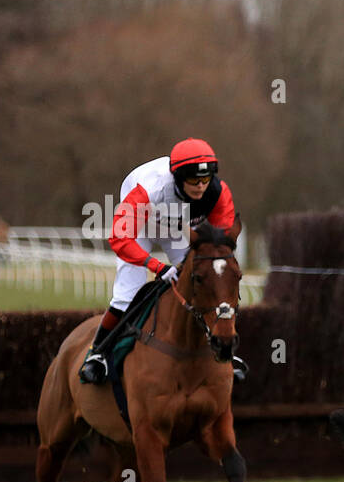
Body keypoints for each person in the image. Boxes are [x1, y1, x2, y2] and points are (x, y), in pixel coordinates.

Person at [79, 138, 246, 384]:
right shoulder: (150, 188)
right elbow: (119, 238)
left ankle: (221, 350)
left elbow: (220, 244)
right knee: (127, 294)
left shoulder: (218, 192)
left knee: (204, 283)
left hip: (178, 225)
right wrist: (157, 267)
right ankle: (98, 353)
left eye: (205, 179)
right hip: (140, 225)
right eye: (192, 180)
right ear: (178, 177)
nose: (200, 186)